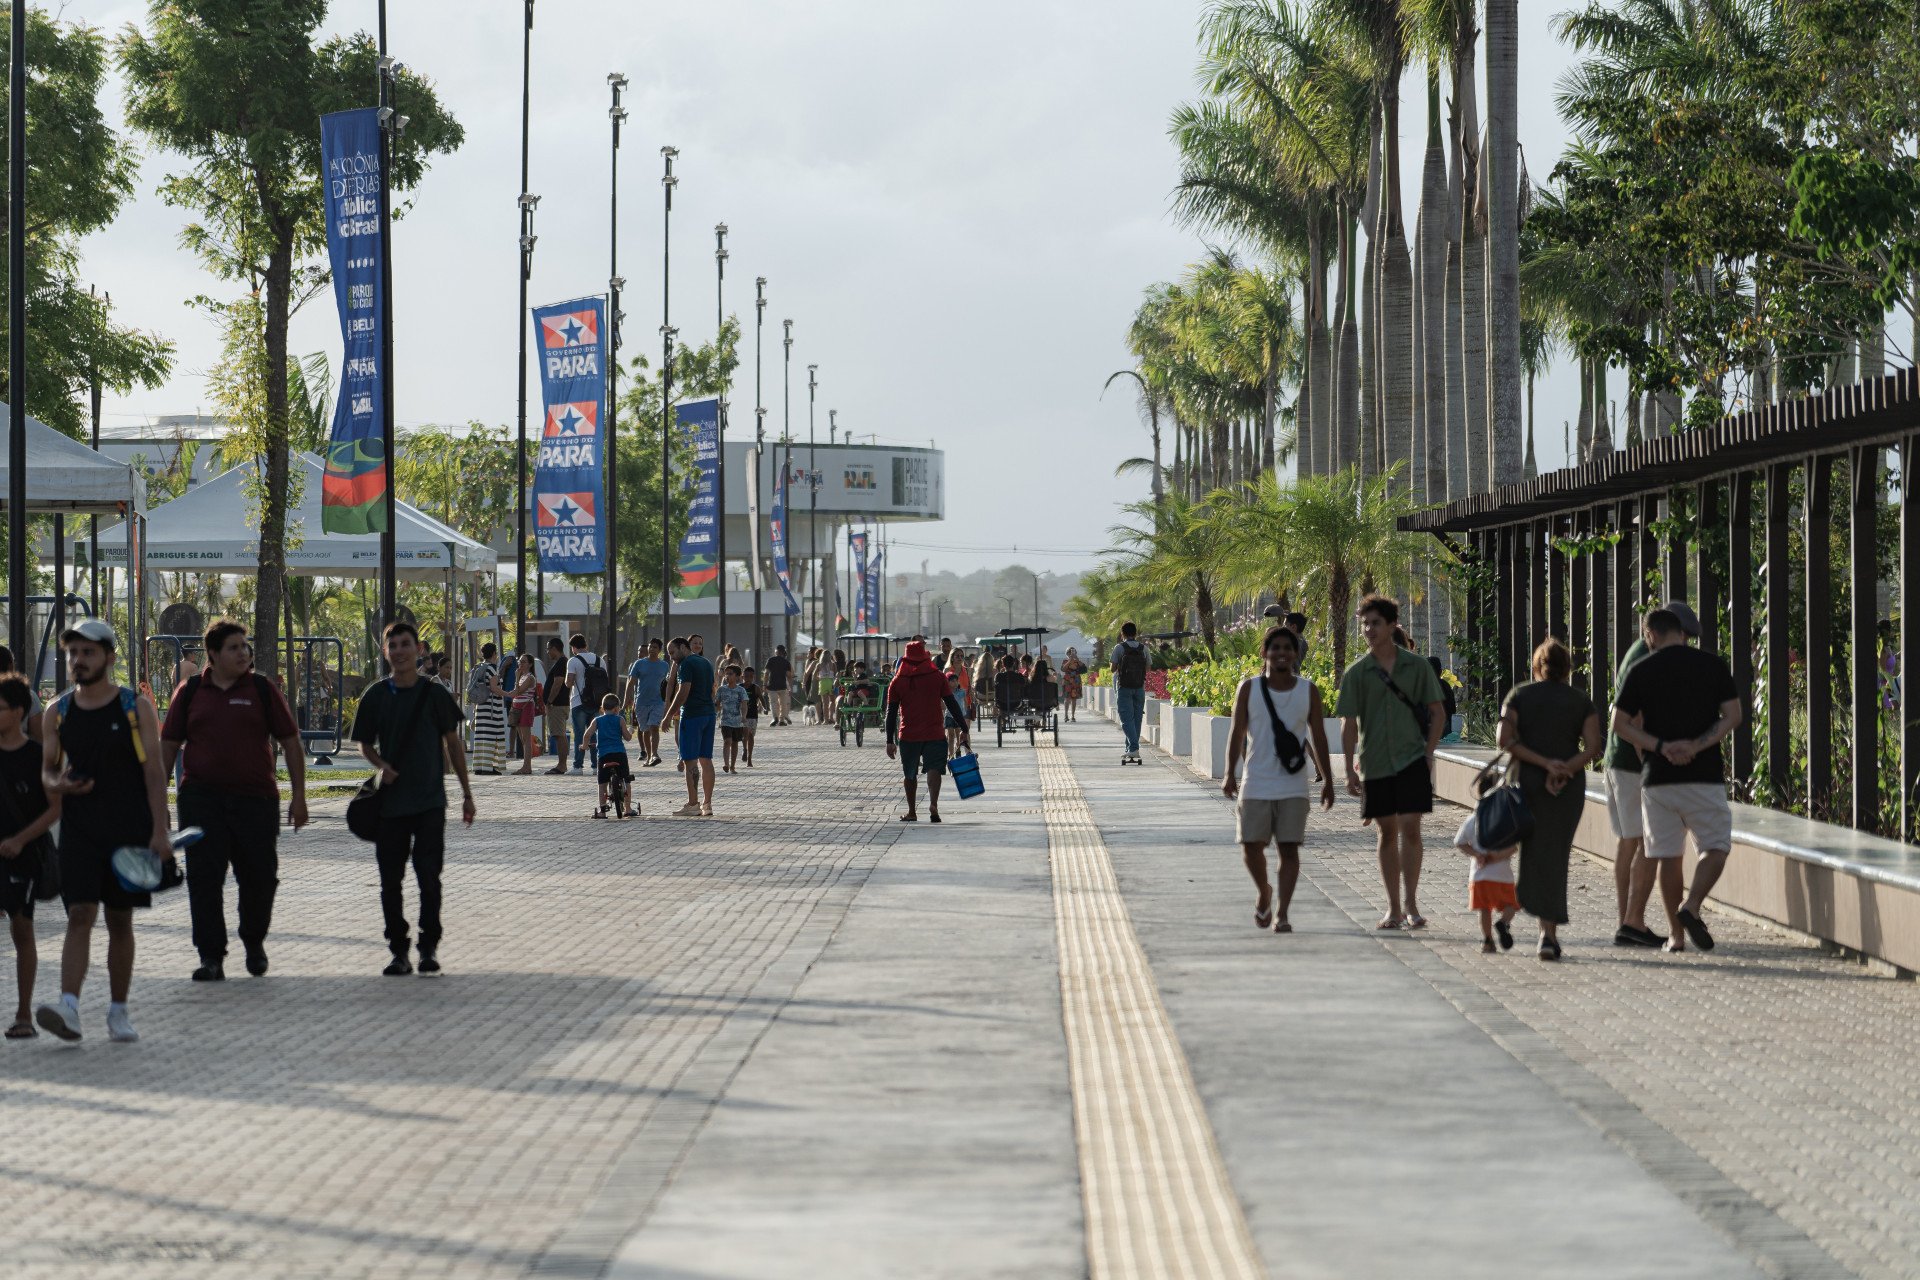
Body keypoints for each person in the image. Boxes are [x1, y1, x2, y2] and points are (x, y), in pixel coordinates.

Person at [34, 619, 172, 1043]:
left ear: (110, 658)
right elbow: (48, 769)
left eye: (87, 653)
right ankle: (70, 1008)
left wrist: (161, 831)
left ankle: (118, 1011)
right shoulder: (59, 711)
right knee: (79, 914)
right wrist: (58, 784)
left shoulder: (134, 707)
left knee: (119, 919)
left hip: (128, 829)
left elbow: (154, 771)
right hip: (79, 830)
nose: (78, 661)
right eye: (73, 653)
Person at [161, 618, 308, 982]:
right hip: (201, 800)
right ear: (213, 654)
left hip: (255, 800)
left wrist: (300, 796)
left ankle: (253, 940)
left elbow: (290, 742)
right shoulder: (191, 691)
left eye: (245, 646)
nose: (243, 653)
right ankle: (211, 956)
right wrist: (158, 802)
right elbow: (167, 747)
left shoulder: (261, 689)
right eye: (234, 648)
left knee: (260, 877)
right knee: (204, 879)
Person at [1610, 602, 1742, 954]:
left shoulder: (1642, 670)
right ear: (1682, 633)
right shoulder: (1713, 665)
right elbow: (1733, 716)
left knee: (1668, 856)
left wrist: (1662, 746)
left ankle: (1676, 937)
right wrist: (1698, 745)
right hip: (1704, 776)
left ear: (1651, 634)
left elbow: (1620, 724)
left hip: (1658, 780)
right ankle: (1692, 905)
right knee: (1715, 847)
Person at [350, 620, 474, 977]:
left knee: (429, 877)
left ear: (419, 650)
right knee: (391, 880)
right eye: (394, 645)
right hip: (390, 806)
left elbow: (453, 743)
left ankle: (429, 946)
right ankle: (398, 950)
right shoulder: (376, 695)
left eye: (407, 644)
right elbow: (363, 743)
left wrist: (467, 794)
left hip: (430, 803)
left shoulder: (435, 694)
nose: (400, 651)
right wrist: (380, 765)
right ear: (385, 652)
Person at [1335, 595, 1445, 931]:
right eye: (1365, 623)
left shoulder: (1417, 667)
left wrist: (1428, 754)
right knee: (1386, 832)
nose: (1369, 629)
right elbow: (1349, 723)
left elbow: (1438, 713)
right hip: (1375, 762)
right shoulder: (1356, 673)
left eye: (1375, 623)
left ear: (1392, 625)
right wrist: (1349, 769)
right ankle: (1393, 908)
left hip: (1412, 758)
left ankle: (1412, 904)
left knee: (1411, 829)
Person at [1223, 627, 1334, 933]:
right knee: (1250, 845)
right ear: (1265, 653)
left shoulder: (1307, 690)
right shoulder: (1249, 688)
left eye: (1288, 647)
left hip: (1293, 784)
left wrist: (1327, 779)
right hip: (1256, 780)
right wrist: (1229, 773)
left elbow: (1319, 736)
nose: (1282, 652)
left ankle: (1282, 913)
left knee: (1289, 849)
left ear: (1296, 654)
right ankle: (1264, 891)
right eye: (1275, 648)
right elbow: (1236, 733)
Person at [1498, 638, 1603, 960]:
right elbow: (1592, 747)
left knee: (1529, 855)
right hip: (1565, 790)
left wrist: (1543, 764)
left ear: (1537, 665)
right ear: (1568, 668)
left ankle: (1506, 916)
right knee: (1554, 858)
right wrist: (1563, 768)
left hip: (1525, 784)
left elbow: (1504, 740)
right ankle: (1547, 936)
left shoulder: (1519, 695)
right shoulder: (1580, 700)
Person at [0, 675, 56, 1038]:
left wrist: (20, 840)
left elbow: (56, 809)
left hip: (22, 856)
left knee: (22, 930)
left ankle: (24, 1014)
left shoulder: (38, 756)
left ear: (18, 712)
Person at [1605, 629, 1662, 947]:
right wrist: (1650, 760)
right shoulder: (1644, 657)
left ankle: (1626, 921)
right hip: (1631, 765)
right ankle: (1631, 922)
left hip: (1619, 760)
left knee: (1629, 841)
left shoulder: (1636, 649)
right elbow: (1636, 718)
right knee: (1643, 841)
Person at [886, 639, 969, 823]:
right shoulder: (937, 677)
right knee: (934, 769)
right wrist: (964, 728)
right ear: (925, 656)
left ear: (906, 658)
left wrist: (889, 741)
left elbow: (891, 713)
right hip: (934, 732)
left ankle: (911, 812)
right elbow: (952, 703)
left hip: (909, 734)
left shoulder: (897, 681)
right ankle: (933, 804)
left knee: (909, 773)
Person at [663, 635, 717, 816]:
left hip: (692, 715)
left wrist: (668, 715)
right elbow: (712, 690)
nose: (671, 657)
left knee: (690, 761)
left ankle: (693, 803)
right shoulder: (706, 662)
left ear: (682, 647)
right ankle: (707, 804)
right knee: (706, 760)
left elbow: (683, 692)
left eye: (672, 652)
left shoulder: (686, 664)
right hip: (709, 714)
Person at [1454, 810, 1519, 954]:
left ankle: (1487, 941)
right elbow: (1514, 846)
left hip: (1479, 874)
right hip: (1503, 874)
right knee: (1511, 905)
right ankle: (1503, 922)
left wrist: (1477, 854)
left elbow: (1459, 842)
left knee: (1484, 908)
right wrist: (1497, 857)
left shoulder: (1472, 819)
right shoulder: (1505, 818)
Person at [566, 633, 611, 773]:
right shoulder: (599, 660)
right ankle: (596, 766)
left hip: (579, 703)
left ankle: (578, 766)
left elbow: (569, 683)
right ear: (586, 645)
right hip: (597, 702)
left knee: (580, 735)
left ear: (573, 647)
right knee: (595, 735)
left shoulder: (573, 661)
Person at [624, 638, 671, 767]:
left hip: (658, 702)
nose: (651, 649)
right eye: (650, 647)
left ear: (660, 650)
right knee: (644, 730)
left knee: (654, 727)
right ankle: (649, 756)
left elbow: (669, 685)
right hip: (641, 702)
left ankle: (655, 754)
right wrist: (626, 700)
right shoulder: (639, 664)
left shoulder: (665, 665)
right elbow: (631, 682)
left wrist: (668, 702)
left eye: (655, 647)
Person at [589, 693, 634, 819]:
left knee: (602, 783)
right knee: (626, 779)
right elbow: (627, 738)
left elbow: (588, 734)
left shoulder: (597, 720)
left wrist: (584, 745)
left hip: (603, 755)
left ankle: (602, 811)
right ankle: (628, 808)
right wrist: (630, 731)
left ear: (602, 708)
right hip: (619, 754)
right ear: (616, 709)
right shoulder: (620, 720)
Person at [466, 643, 507, 775]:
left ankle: (479, 766)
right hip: (491, 710)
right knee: (492, 737)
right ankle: (489, 767)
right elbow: (494, 688)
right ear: (494, 654)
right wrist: (508, 694)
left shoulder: (478, 667)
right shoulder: (492, 669)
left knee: (481, 737)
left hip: (481, 709)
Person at [1112, 622, 1150, 762]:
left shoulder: (1119, 648)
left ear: (1122, 633)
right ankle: (1130, 749)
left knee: (1126, 719)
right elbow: (1148, 668)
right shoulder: (1143, 648)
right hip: (1139, 687)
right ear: (1135, 633)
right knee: (1137, 719)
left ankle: (1134, 748)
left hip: (1124, 687)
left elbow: (1112, 669)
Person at [541, 637, 571, 774]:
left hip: (557, 705)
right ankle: (561, 764)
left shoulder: (561, 663)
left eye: (548, 649)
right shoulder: (562, 662)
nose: (547, 652)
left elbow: (558, 683)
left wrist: (549, 701)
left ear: (554, 648)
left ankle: (562, 765)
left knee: (559, 735)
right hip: (559, 704)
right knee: (560, 734)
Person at [717, 664, 749, 774]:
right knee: (727, 741)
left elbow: (744, 704)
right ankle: (726, 764)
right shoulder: (721, 690)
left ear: (737, 676)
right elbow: (716, 704)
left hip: (737, 721)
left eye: (730, 674)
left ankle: (732, 766)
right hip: (725, 720)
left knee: (735, 743)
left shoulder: (741, 690)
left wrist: (744, 716)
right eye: (726, 674)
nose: (727, 676)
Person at [764, 644, 793, 726]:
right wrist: (790, 688)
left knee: (773, 702)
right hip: (782, 686)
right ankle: (782, 720)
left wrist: (764, 685)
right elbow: (789, 676)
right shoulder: (786, 662)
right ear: (783, 652)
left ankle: (775, 718)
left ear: (776, 651)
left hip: (772, 685)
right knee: (783, 703)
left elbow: (766, 673)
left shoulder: (771, 660)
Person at [741, 667, 762, 767]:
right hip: (742, 715)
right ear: (742, 677)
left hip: (753, 715)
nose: (748, 679)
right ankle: (744, 749)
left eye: (750, 677)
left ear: (753, 677)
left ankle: (749, 758)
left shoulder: (756, 688)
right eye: (746, 676)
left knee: (751, 736)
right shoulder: (739, 688)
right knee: (745, 733)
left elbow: (761, 698)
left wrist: (765, 708)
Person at [1061, 647, 1086, 722]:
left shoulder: (1078, 661)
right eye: (1069, 653)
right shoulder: (1065, 661)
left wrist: (1077, 659)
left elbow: (1084, 669)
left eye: (1072, 652)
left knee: (1074, 699)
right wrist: (1069, 661)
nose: (1070, 654)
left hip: (1076, 680)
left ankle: (1073, 716)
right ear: (1067, 654)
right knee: (1067, 698)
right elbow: (1063, 669)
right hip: (1068, 680)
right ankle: (1066, 715)